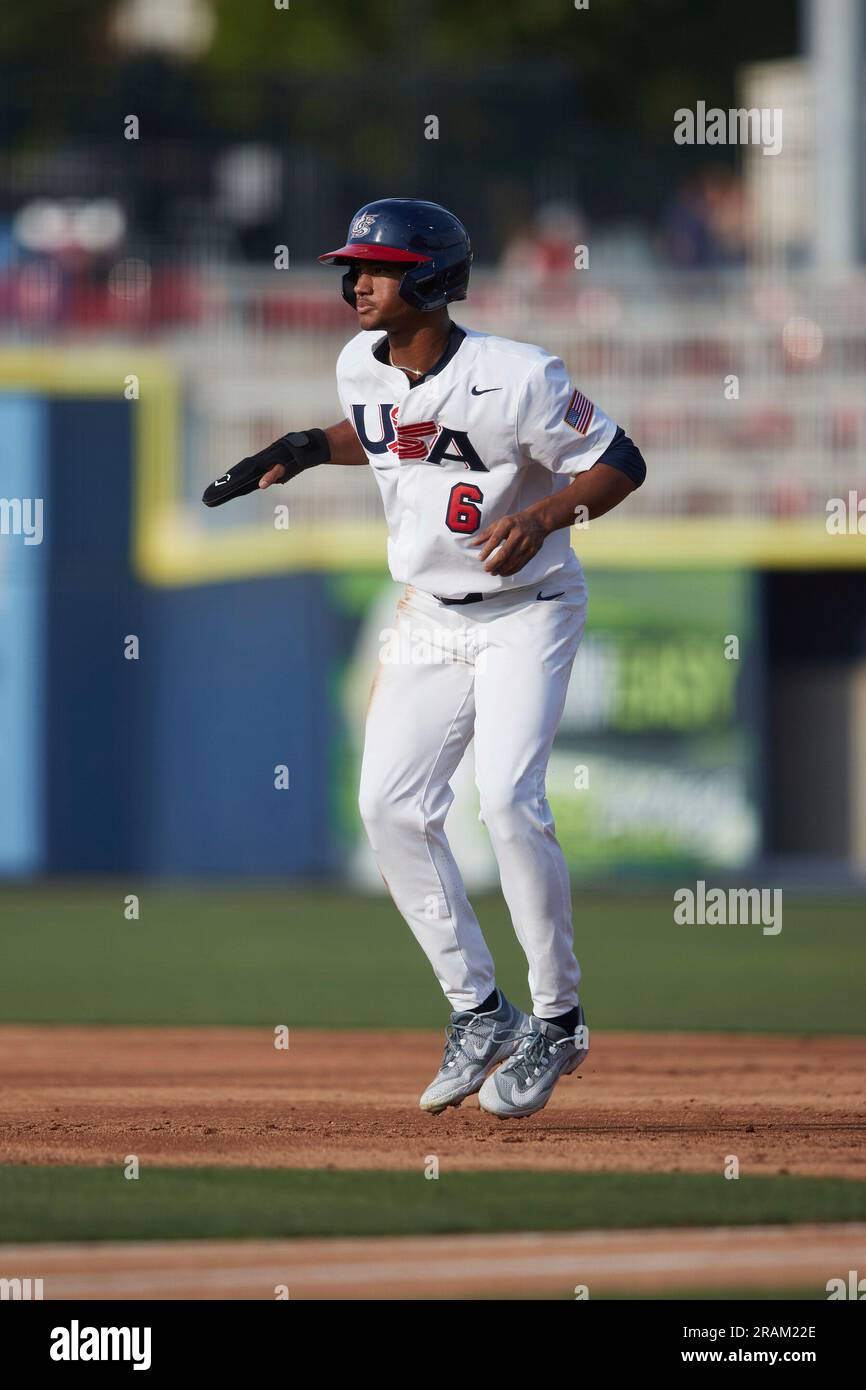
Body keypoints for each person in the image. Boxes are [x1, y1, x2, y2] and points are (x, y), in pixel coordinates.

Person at [203, 198, 646, 1119]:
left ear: (435, 279)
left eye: (379, 265)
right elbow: (385, 437)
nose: (355, 280)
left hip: (529, 609)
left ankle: (559, 1022)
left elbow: (621, 459)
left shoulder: (516, 376)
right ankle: (479, 1010)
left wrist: (546, 513)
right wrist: (300, 448)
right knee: (388, 807)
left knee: (510, 804)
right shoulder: (360, 363)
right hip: (428, 614)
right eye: (350, 264)